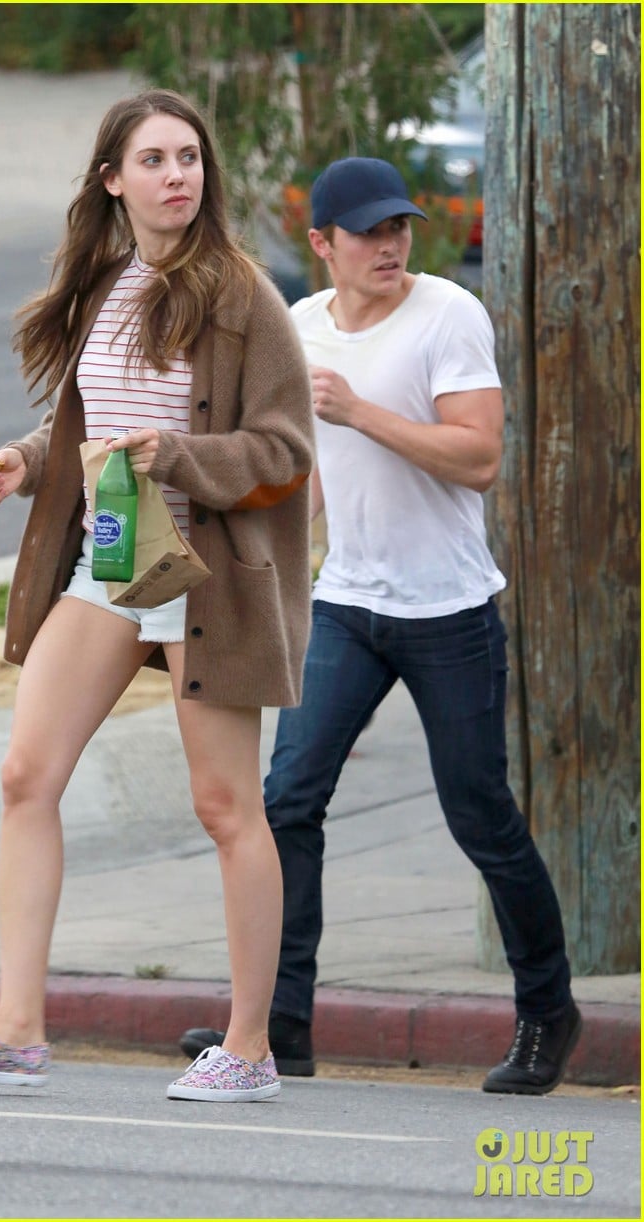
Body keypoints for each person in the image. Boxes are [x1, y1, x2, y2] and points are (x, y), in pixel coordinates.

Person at [0, 89, 314, 1103]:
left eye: (190, 158)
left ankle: (249, 1047)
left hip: (207, 576)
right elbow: (98, 425)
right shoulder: (107, 286)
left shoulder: (240, 294)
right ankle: (16, 1027)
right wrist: (29, 460)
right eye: (156, 160)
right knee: (23, 775)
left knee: (225, 806)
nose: (179, 176)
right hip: (113, 565)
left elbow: (285, 451)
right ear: (110, 180)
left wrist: (178, 453)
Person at [180, 156, 582, 1095]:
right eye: (366, 231)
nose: (389, 243)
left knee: (480, 816)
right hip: (346, 607)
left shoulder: (448, 315)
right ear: (321, 244)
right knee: (287, 803)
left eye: (397, 225)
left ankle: (547, 1011)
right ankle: (279, 1022)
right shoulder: (301, 326)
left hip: (447, 610)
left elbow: (478, 458)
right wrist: (240, 565)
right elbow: (304, 481)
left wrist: (358, 410)